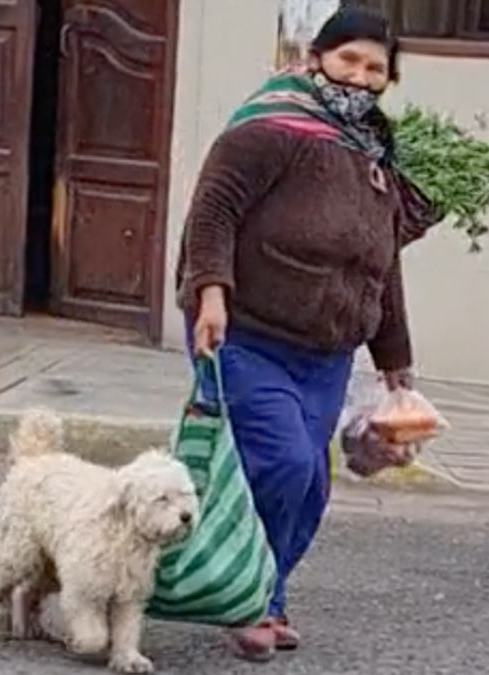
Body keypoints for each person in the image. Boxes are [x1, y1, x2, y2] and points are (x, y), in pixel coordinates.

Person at [174, 7, 442, 662]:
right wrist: (210, 290)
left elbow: (384, 259)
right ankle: (248, 601)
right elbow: (213, 208)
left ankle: (266, 590)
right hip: (248, 333)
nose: (359, 75)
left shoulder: (374, 151)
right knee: (284, 463)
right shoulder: (270, 127)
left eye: (375, 67)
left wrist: (394, 361)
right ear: (316, 56)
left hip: (327, 351)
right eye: (348, 58)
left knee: (313, 484)